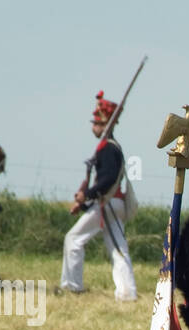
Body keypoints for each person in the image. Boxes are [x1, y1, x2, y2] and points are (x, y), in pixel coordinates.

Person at [60, 90, 136, 301]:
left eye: (97, 123)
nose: (93, 126)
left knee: (73, 239)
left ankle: (72, 285)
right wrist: (85, 203)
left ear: (105, 125)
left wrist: (87, 195)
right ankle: (127, 292)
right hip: (112, 203)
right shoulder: (108, 148)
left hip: (108, 204)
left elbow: (107, 180)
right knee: (118, 249)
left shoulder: (109, 149)